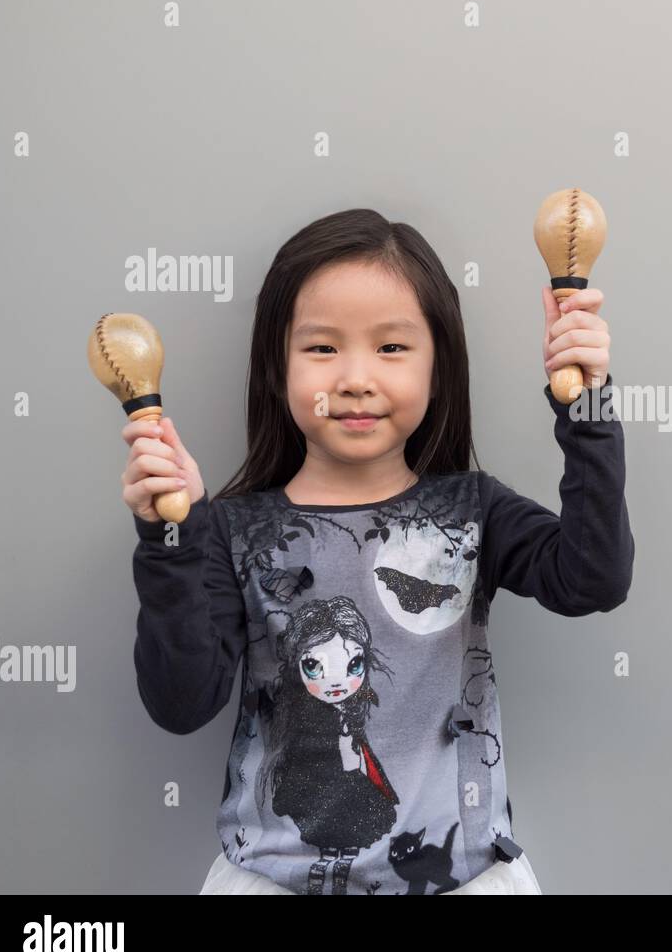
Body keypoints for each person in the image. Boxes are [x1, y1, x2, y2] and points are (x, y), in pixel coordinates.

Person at [122, 208, 633, 894]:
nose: (356, 378)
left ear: (438, 367)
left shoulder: (471, 512)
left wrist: (588, 405)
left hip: (463, 877)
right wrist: (169, 538)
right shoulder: (229, 529)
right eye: (323, 348)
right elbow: (180, 702)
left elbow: (594, 577)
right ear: (276, 369)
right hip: (273, 880)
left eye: (392, 348)